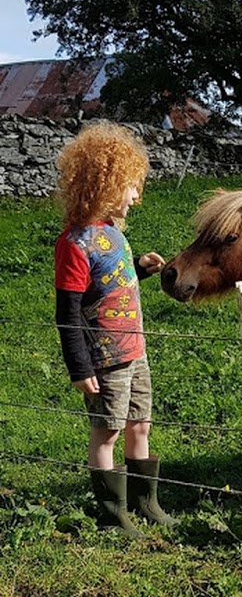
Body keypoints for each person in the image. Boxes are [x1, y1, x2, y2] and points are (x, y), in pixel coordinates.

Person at [53, 122, 175, 532]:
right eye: (131, 186)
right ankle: (112, 514)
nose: (137, 197)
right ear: (104, 183)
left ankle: (146, 504)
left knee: (140, 424)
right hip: (105, 359)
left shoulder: (113, 236)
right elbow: (69, 311)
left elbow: (108, 287)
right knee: (107, 431)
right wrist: (80, 367)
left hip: (134, 352)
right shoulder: (75, 243)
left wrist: (139, 267)